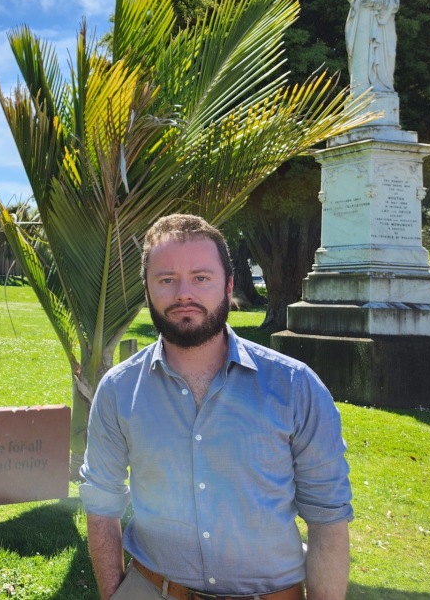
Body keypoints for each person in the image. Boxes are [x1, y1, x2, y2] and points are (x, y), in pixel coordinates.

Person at [79, 214, 352, 600]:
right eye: (166, 279)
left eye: (201, 278)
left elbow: (328, 520)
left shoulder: (295, 387)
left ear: (228, 286)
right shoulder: (119, 390)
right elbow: (101, 506)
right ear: (147, 290)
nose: (183, 294)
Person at [345, 0, 399, 94]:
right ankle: (362, 87)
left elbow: (395, 6)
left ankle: (383, 86)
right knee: (363, 54)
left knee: (386, 57)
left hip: (384, 28)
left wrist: (377, 4)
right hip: (366, 28)